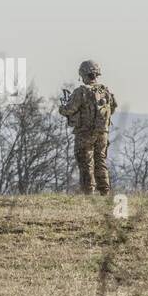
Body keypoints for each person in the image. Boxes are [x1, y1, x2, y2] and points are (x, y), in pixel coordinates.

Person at [60, 59, 117, 195]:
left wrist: (61, 108)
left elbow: (69, 109)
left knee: (85, 162)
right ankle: (104, 191)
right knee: (101, 160)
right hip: (103, 132)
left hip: (85, 133)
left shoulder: (81, 91)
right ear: (97, 74)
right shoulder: (105, 90)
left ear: (83, 74)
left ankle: (88, 192)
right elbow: (113, 107)